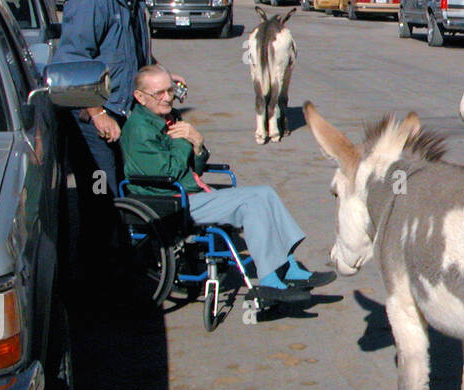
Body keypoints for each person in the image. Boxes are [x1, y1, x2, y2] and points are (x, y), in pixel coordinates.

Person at [121, 64, 334, 303]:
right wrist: (188, 141)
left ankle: (289, 266)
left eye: (170, 91)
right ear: (140, 97)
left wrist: (198, 146)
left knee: (265, 193)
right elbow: (169, 172)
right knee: (251, 204)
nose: (168, 98)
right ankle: (269, 280)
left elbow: (193, 169)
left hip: (187, 192)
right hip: (167, 202)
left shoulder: (171, 119)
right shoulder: (139, 129)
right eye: (158, 93)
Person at [53, 0, 168, 282]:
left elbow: (130, 54)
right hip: (92, 120)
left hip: (123, 112)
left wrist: (158, 78)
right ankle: (94, 286)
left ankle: (124, 268)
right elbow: (70, 65)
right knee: (101, 201)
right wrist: (97, 113)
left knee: (126, 191)